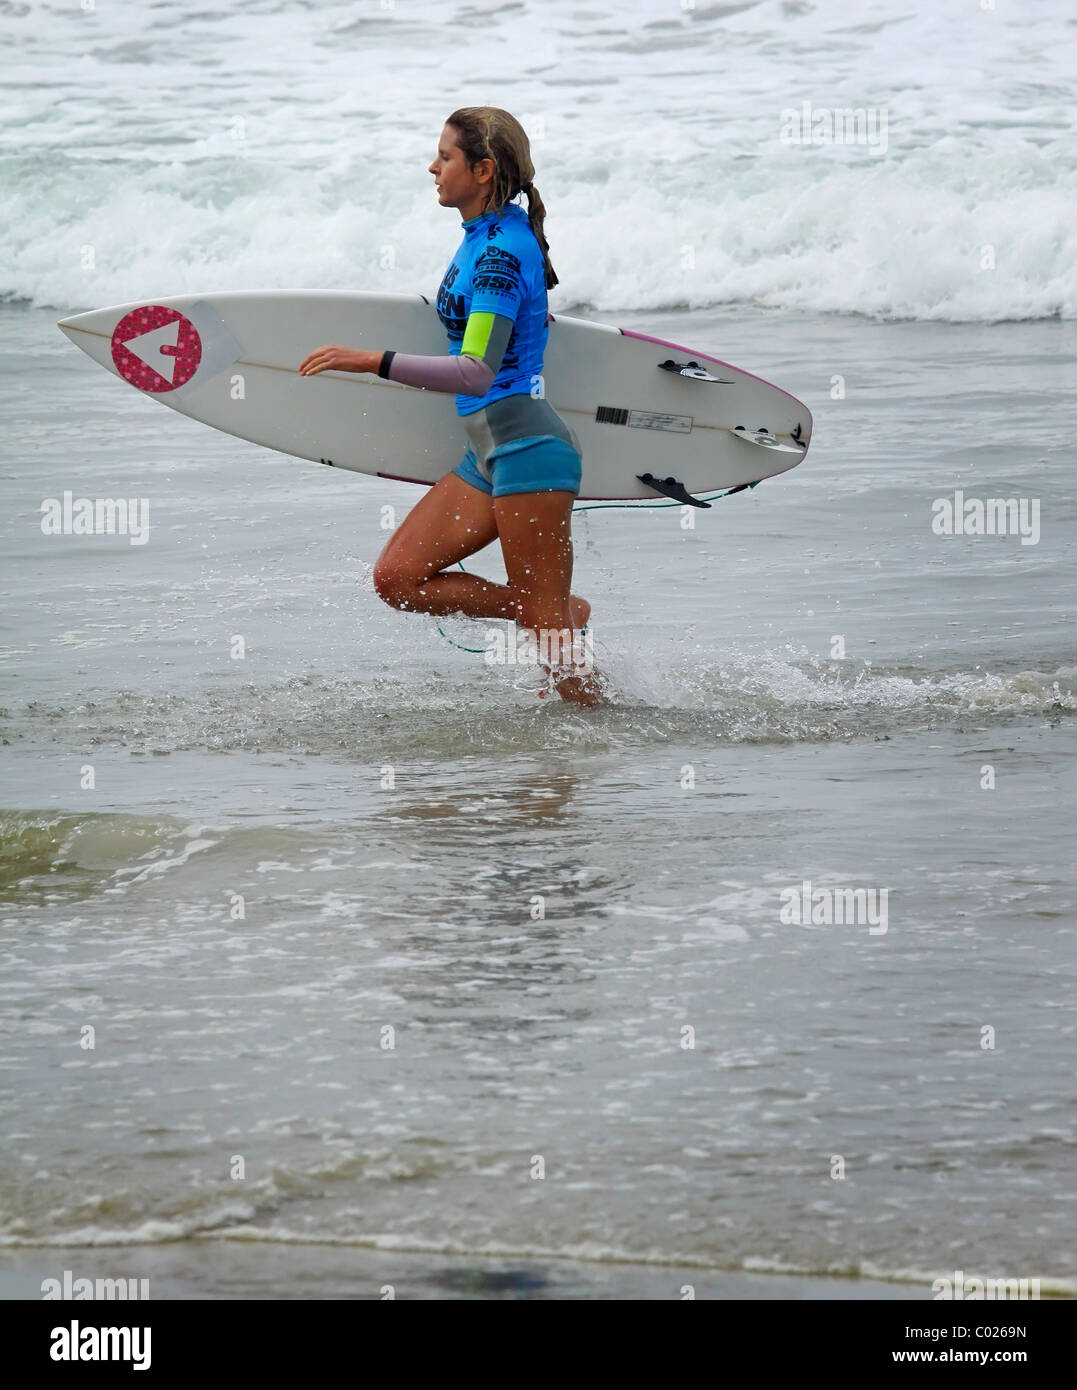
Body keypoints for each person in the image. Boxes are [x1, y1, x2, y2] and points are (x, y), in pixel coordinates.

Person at [299, 106, 602, 706]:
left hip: (528, 454)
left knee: (557, 659)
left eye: (445, 157)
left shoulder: (498, 255)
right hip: (486, 456)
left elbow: (476, 369)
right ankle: (553, 611)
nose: (431, 167)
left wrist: (371, 361)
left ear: (484, 170)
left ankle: (593, 742)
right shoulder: (481, 240)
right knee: (398, 579)